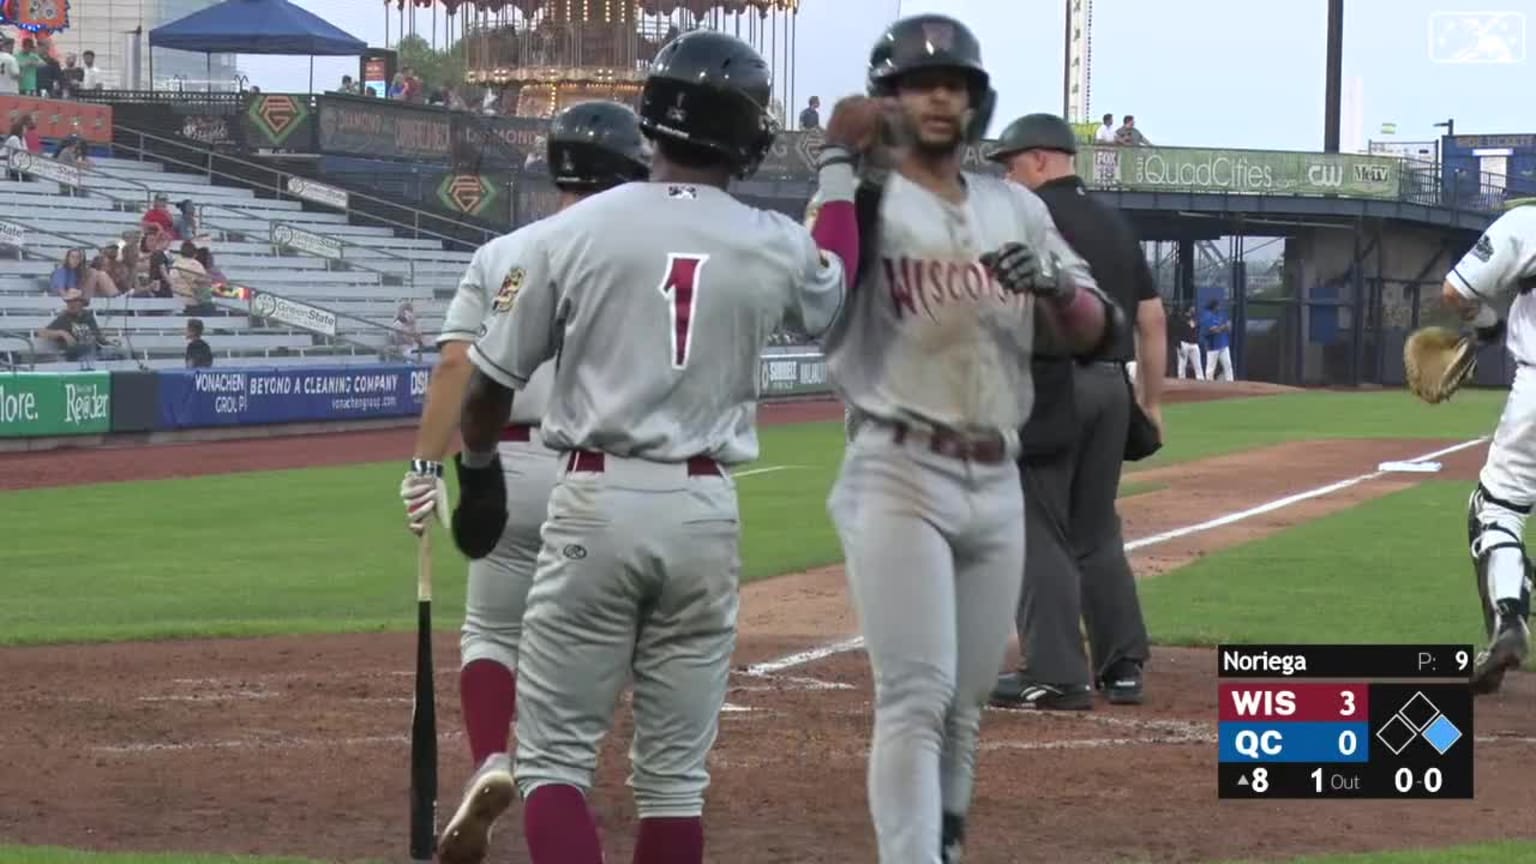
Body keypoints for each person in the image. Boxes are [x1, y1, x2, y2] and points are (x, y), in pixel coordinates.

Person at [449, 29, 849, 864]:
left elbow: (487, 380)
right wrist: (842, 168)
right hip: (706, 506)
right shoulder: (771, 238)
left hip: (594, 494)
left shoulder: (571, 231)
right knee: (673, 784)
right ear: (746, 135)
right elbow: (838, 278)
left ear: (653, 123)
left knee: (555, 761)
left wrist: (480, 473)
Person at [819, 16, 1114, 862]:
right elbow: (820, 288)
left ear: (977, 102)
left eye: (956, 83)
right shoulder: (867, 199)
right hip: (895, 465)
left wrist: (1057, 287)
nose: (941, 96)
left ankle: (940, 849)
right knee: (915, 694)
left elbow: (1099, 329)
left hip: (995, 477)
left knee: (964, 704)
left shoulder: (1014, 206)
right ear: (889, 101)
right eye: (921, 83)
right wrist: (844, 166)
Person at [398, 100, 651, 864]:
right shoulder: (648, 260)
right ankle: (564, 773)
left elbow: (456, 366)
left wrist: (424, 463)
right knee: (611, 641)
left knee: (491, 632)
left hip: (501, 465)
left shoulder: (506, 250)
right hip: (609, 472)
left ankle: (492, 759)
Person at [984, 112, 1163, 712]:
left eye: (1010, 165)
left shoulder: (1030, 219)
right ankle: (1124, 666)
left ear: (1039, 159)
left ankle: (1057, 673)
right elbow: (1151, 317)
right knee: (1096, 530)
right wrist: (1152, 401)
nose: (1006, 178)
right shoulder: (1113, 220)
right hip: (1114, 384)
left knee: (1038, 529)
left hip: (1052, 381)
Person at [1439, 205, 1536, 694]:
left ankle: (1509, 619)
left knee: (1496, 507)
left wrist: (1490, 324)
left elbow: (1458, 290)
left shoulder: (1527, 223)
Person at [1201, 298, 1235, 380]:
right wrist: (1224, 327)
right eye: (1217, 306)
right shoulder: (1207, 315)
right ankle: (1209, 385)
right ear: (1213, 306)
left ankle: (1231, 384)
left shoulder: (1220, 314)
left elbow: (1228, 327)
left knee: (1228, 365)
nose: (1219, 308)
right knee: (1211, 368)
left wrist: (1227, 327)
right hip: (1212, 345)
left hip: (1223, 343)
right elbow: (1214, 330)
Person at [1174, 304, 1204, 379]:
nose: (1194, 309)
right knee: (1182, 365)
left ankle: (1201, 381)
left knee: (1198, 365)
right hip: (1184, 344)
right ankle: (1181, 383)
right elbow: (1177, 333)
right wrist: (1179, 346)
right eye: (1192, 308)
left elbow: (1195, 328)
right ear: (1189, 309)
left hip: (1193, 344)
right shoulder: (1181, 319)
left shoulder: (1194, 319)